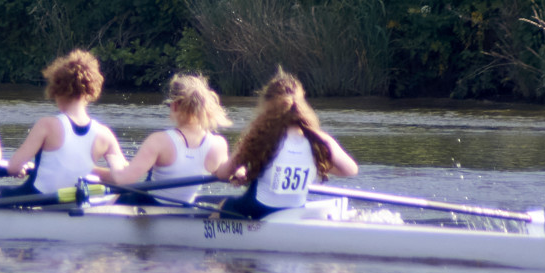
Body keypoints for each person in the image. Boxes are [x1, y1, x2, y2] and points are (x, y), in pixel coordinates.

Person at [211, 71, 358, 220]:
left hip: (260, 209)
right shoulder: (319, 139)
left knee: (224, 204)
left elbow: (223, 173)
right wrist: (317, 164)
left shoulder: (260, 137)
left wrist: (236, 171)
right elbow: (350, 170)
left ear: (267, 104)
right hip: (294, 209)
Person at [6, 49, 126, 195]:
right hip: (74, 202)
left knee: (4, 194)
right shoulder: (106, 135)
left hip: (39, 200)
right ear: (91, 91)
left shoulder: (47, 125)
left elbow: (13, 167)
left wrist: (22, 168)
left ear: (57, 89)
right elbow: (122, 177)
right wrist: (89, 169)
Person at [107, 73, 231, 203]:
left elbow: (123, 180)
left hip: (151, 211)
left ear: (175, 105)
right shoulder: (218, 145)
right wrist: (240, 169)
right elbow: (227, 172)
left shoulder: (159, 141)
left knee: (117, 196)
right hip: (185, 210)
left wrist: (113, 157)